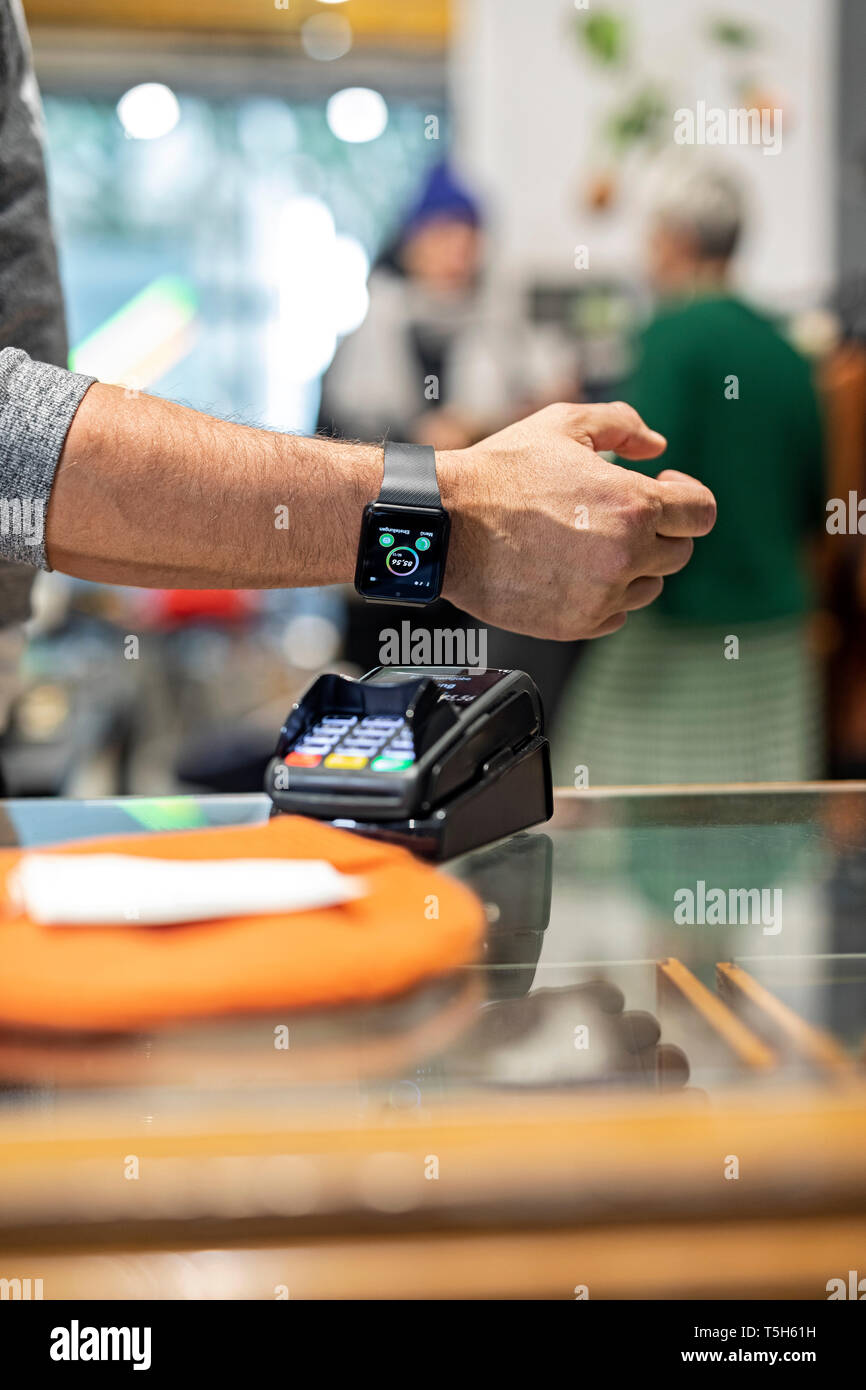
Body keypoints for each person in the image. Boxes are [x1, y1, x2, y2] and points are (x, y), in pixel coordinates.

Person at [0, 3, 716, 719]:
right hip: (387, 597)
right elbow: (14, 438)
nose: (456, 251)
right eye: (442, 232)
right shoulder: (366, 334)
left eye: (469, 235)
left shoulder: (508, 334)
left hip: (17, 607)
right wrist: (455, 509)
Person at [554, 165, 825, 786]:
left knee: (633, 829)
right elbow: (817, 499)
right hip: (777, 635)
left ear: (675, 241)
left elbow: (635, 492)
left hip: (677, 634)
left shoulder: (670, 338)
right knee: (765, 831)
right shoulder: (787, 350)